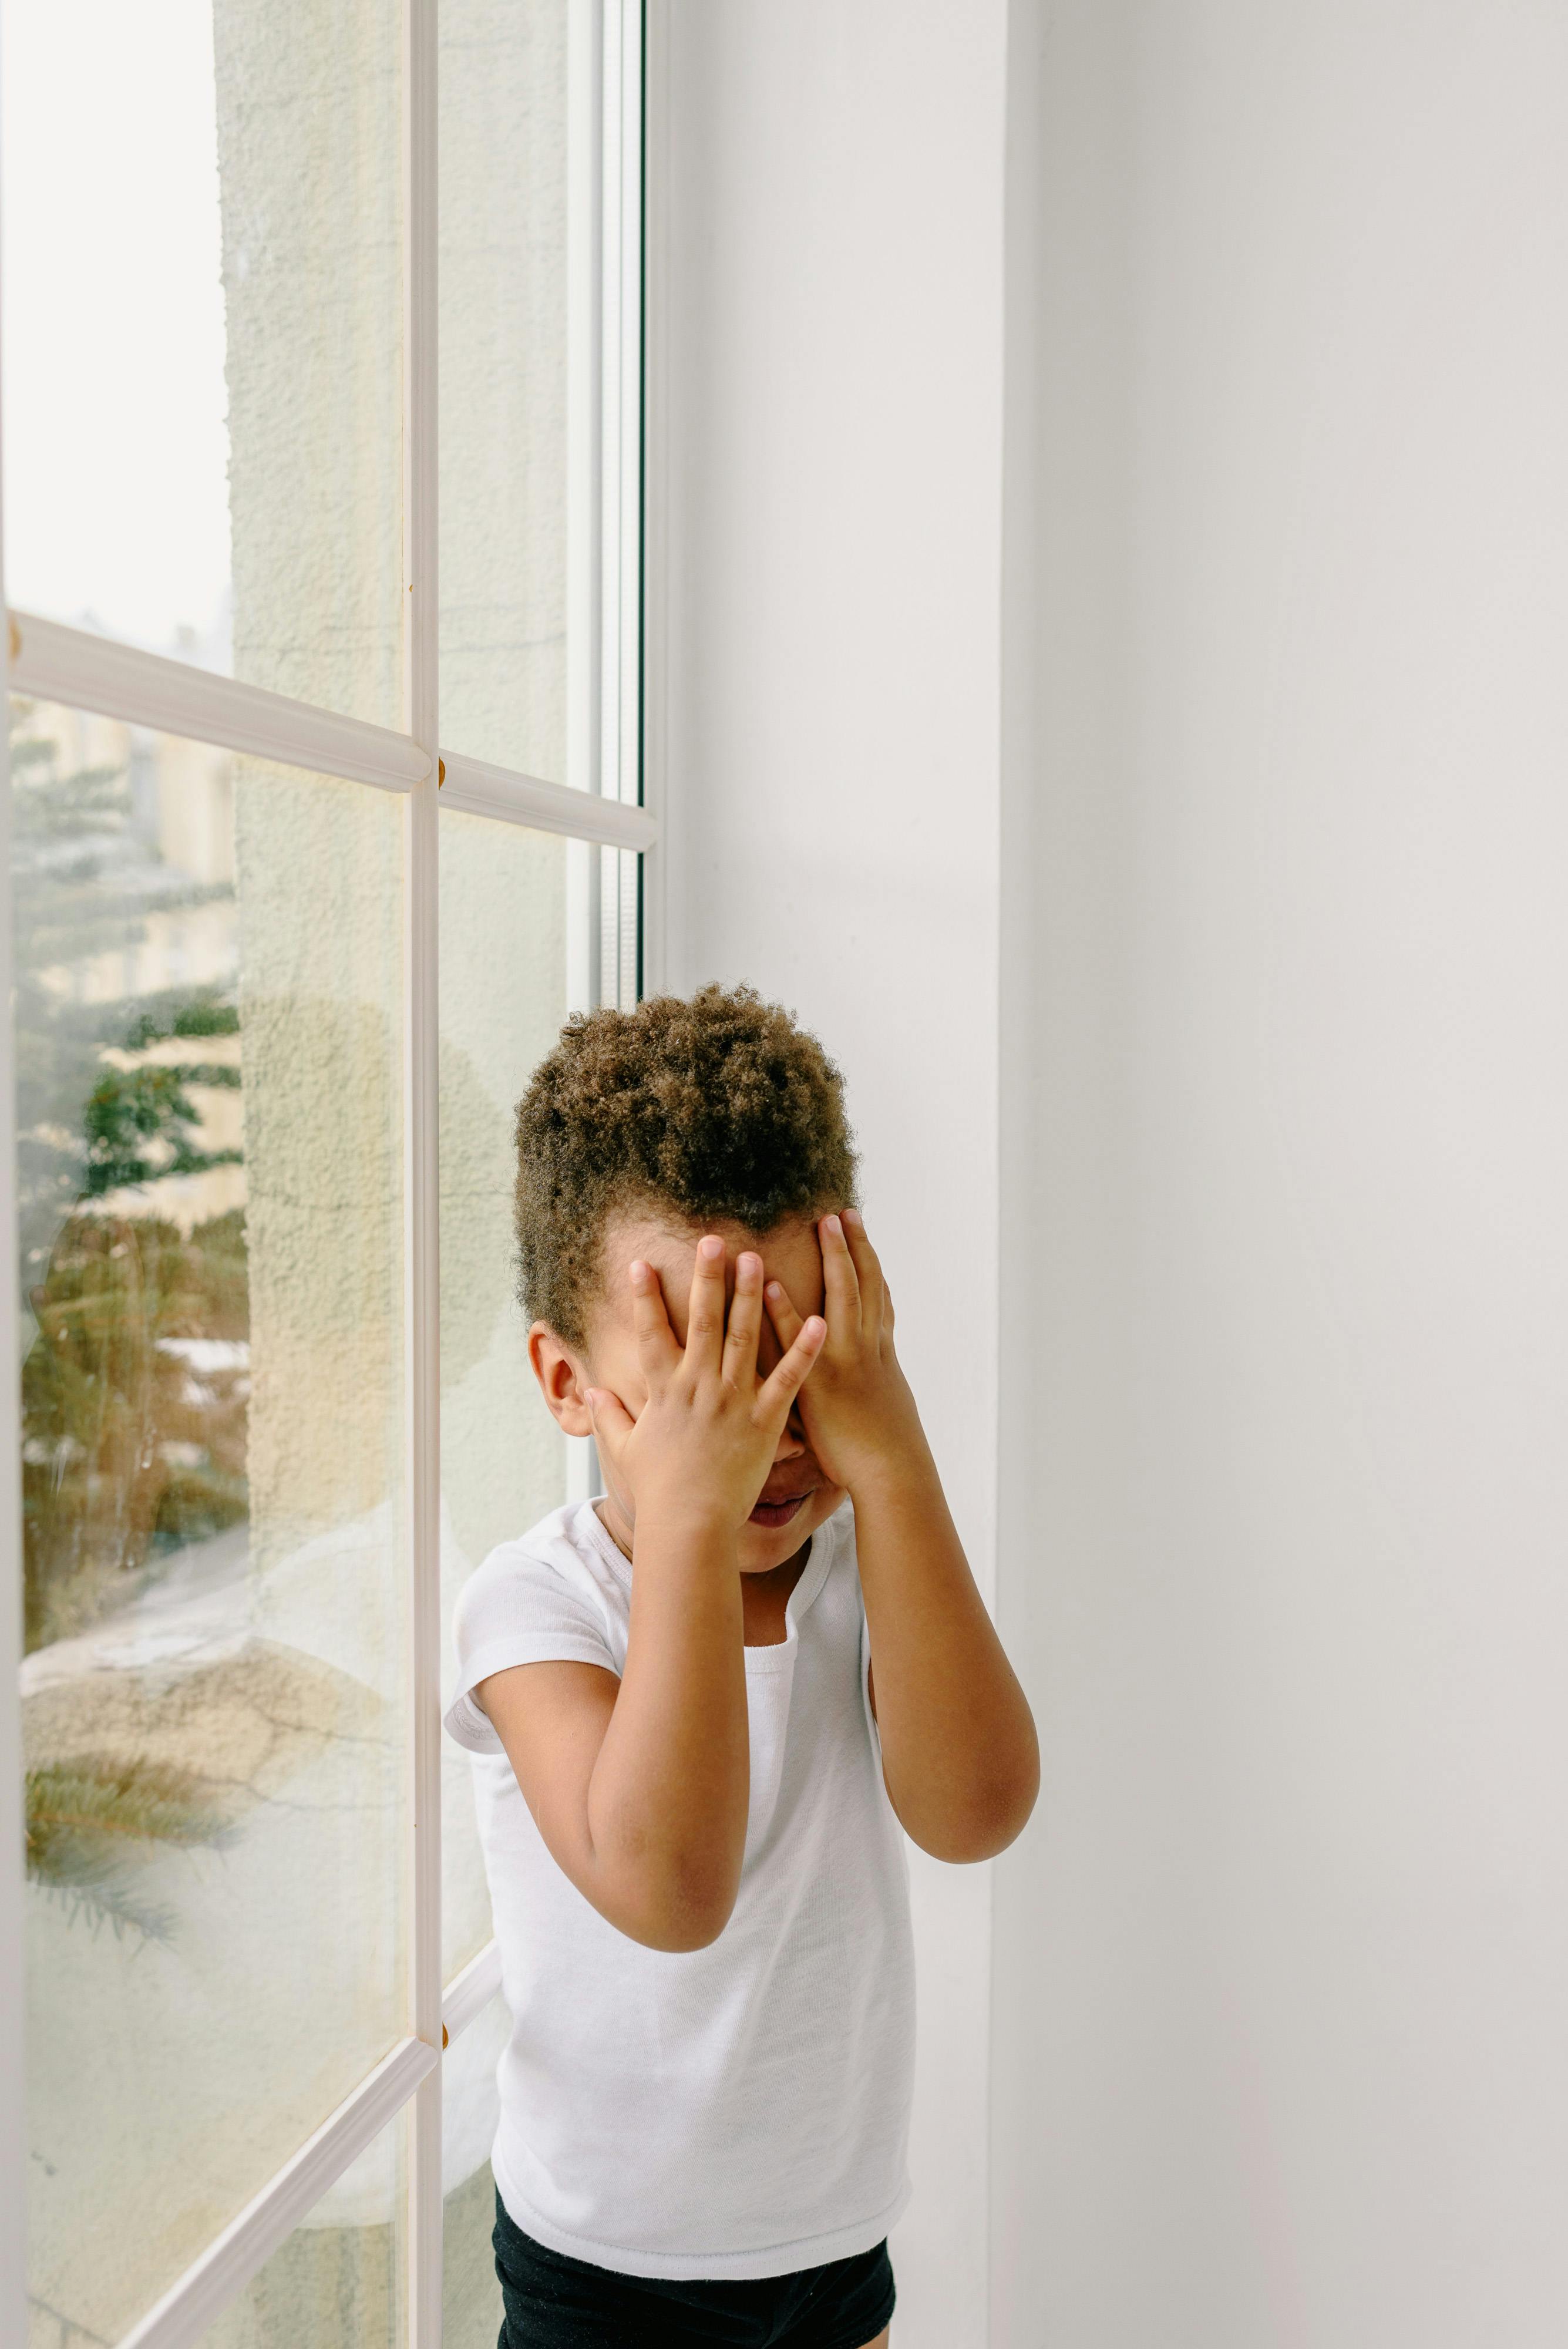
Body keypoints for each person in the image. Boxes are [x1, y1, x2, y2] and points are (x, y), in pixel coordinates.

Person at [445, 984, 1039, 2348]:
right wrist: (692, 1533)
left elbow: (976, 1809)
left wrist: (888, 1454)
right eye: (699, 1397)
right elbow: (670, 1885)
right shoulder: (534, 1608)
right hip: (603, 2262)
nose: (763, 1439)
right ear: (566, 1384)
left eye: (795, 1371)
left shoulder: (861, 1565)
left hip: (832, 2242)